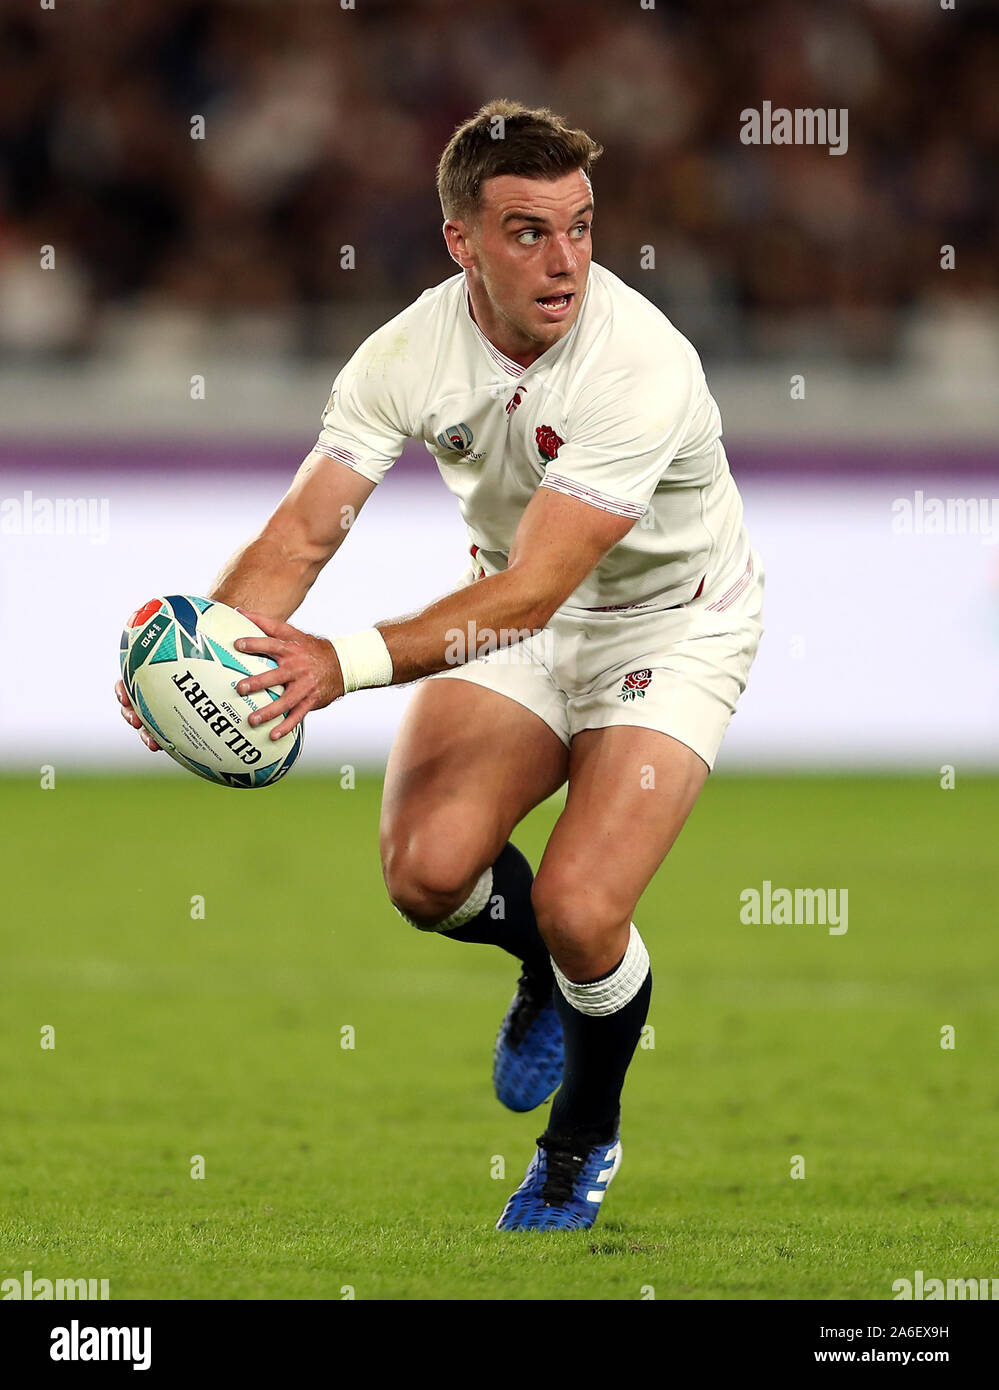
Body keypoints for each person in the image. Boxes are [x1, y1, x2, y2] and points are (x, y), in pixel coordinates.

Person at [116, 99, 764, 1232]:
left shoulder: (641, 363)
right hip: (510, 613)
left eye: (580, 225)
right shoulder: (410, 351)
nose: (564, 260)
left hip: (666, 627)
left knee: (577, 903)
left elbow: (535, 591)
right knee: (427, 874)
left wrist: (342, 665)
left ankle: (579, 1143)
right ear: (462, 241)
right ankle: (544, 976)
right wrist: (203, 660)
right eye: (527, 231)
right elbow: (304, 534)